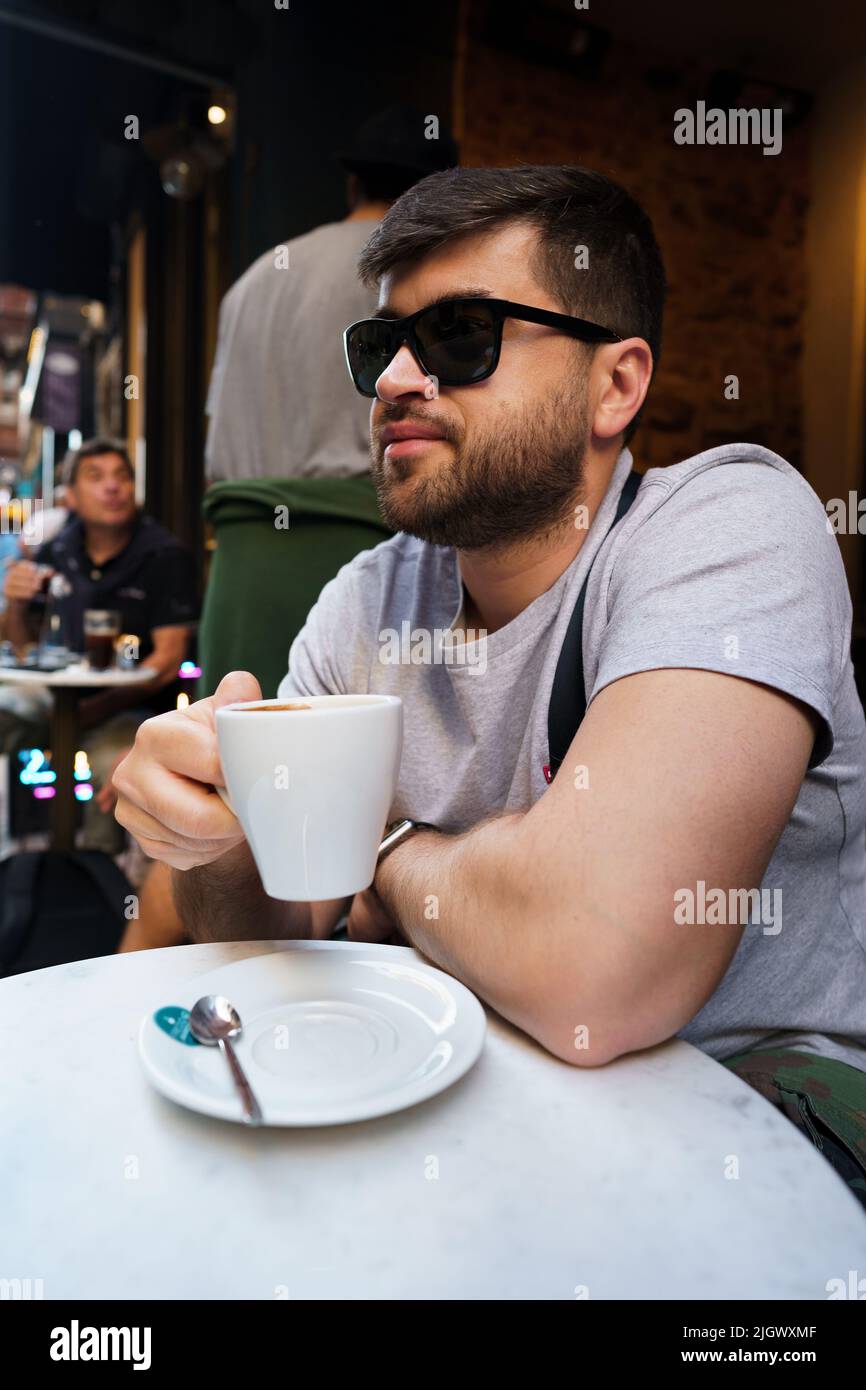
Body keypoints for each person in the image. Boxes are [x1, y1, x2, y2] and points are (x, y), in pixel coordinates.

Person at [113, 165, 866, 1206]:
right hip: (465, 1097)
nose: (393, 383)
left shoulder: (730, 528)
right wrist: (209, 837)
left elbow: (596, 962)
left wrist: (383, 854)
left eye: (461, 335)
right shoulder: (365, 599)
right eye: (380, 347)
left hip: (756, 1112)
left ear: (617, 384)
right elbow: (268, 927)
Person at [204, 103, 458, 483]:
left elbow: (218, 430)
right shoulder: (416, 271)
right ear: (440, 200)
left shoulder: (254, 278)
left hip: (240, 533)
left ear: (353, 186)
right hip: (359, 528)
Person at [1, 437, 198, 849]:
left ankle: (99, 887)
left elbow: (167, 659)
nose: (113, 487)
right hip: (57, 699)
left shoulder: (163, 557)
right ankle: (22, 870)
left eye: (122, 477)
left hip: (135, 710)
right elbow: (23, 648)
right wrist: (16, 605)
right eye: (96, 477)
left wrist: (88, 711)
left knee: (118, 772)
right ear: (70, 495)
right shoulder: (58, 549)